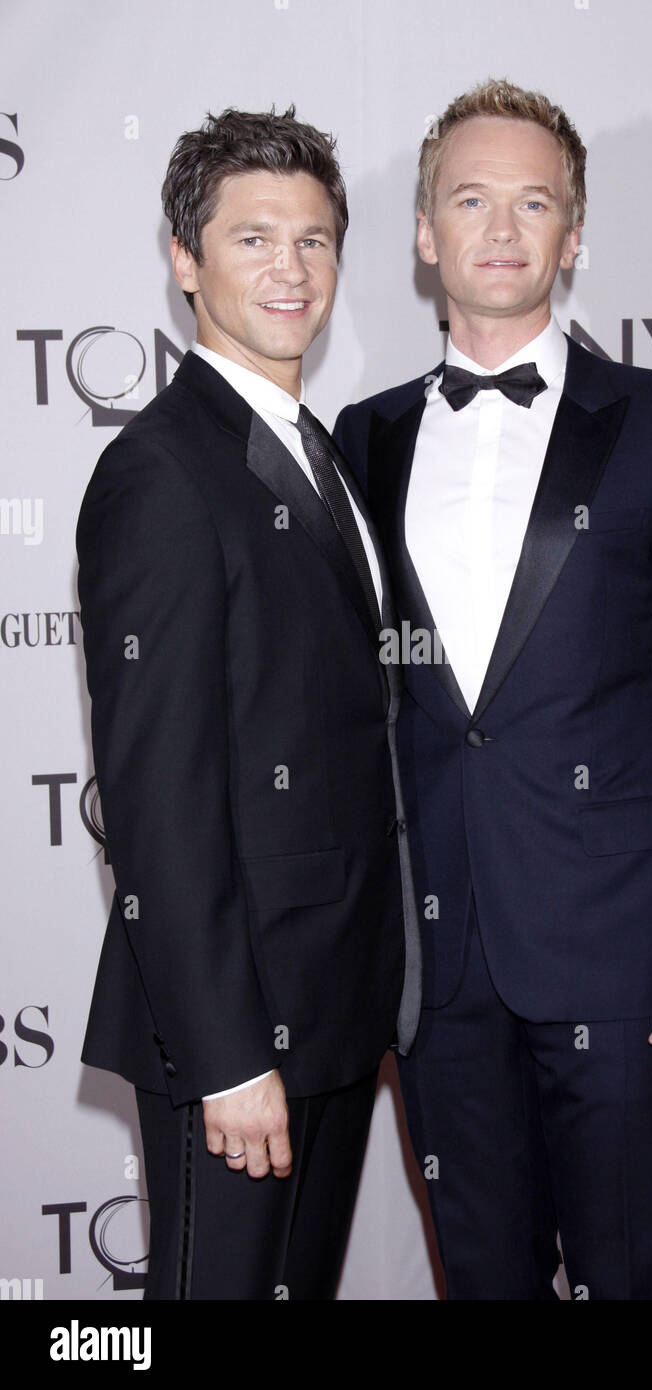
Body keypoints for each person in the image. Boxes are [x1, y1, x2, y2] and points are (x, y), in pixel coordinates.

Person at [334, 79, 652, 1300]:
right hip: (435, 965)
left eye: (533, 202)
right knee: (480, 1282)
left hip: (625, 956)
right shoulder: (356, 441)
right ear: (424, 232)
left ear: (571, 235)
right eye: (468, 199)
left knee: (636, 1280)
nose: (500, 227)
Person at [76, 107, 420, 1300]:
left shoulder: (313, 451)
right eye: (254, 238)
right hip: (238, 1033)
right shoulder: (164, 472)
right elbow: (157, 796)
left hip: (332, 1003)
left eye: (315, 240)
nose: (291, 270)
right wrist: (225, 1059)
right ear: (186, 260)